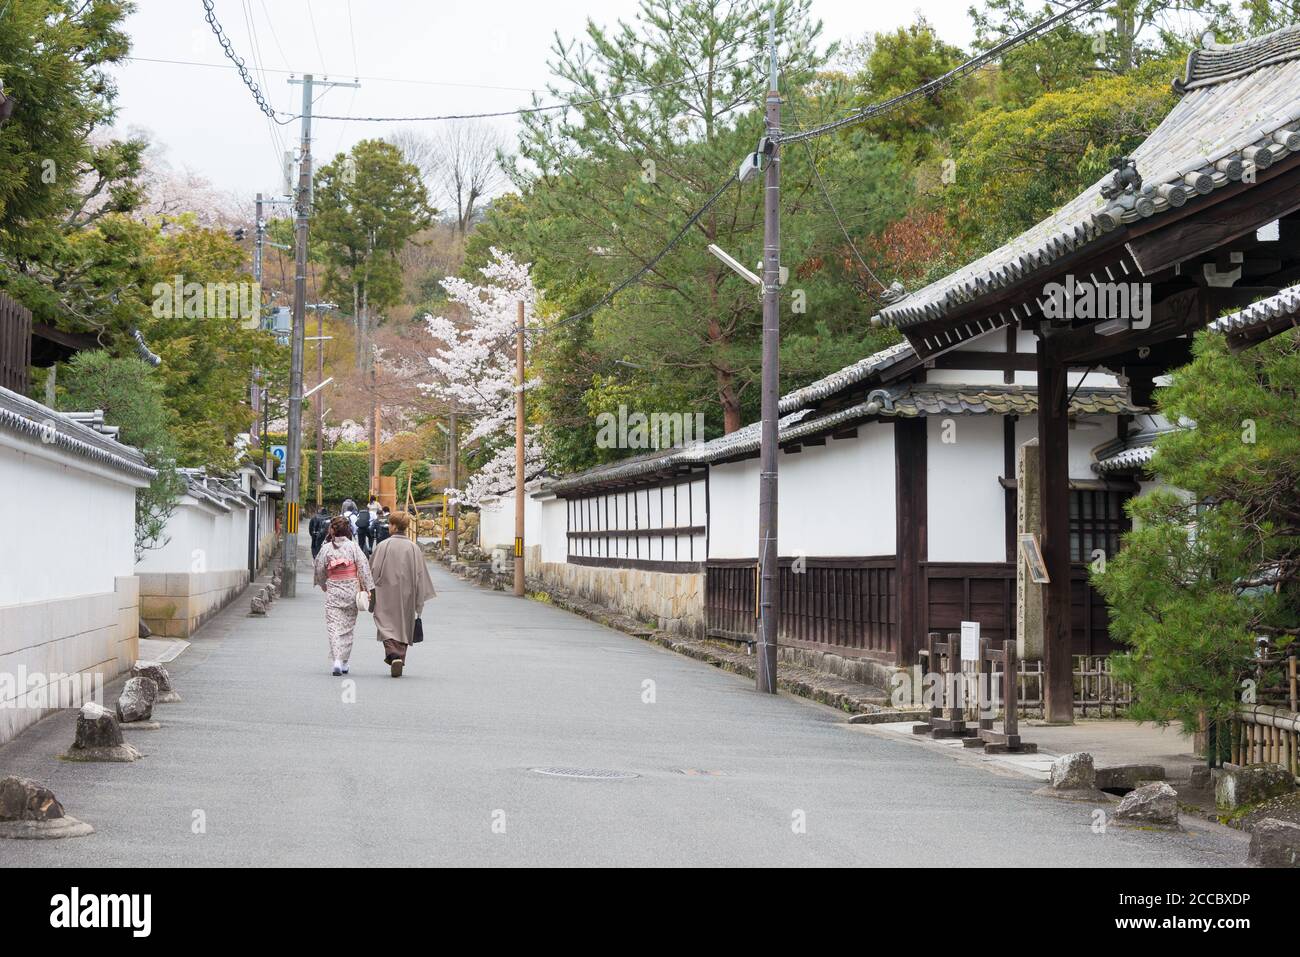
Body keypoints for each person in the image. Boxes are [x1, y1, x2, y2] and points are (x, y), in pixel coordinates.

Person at [370, 511, 435, 678]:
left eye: (390, 524)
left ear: (394, 526)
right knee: (404, 625)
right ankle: (399, 656)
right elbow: (421, 575)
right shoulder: (414, 548)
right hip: (407, 593)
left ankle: (393, 655)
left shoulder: (383, 546)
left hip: (385, 591)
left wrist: (369, 591)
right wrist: (420, 597)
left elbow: (373, 570)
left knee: (385, 623)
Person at [312, 515, 374, 677]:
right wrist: (368, 589)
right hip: (351, 590)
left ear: (332, 530)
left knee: (334, 626)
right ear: (348, 530)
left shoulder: (326, 549)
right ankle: (344, 661)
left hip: (334, 590)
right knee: (347, 627)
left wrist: (323, 584)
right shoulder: (353, 547)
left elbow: (319, 569)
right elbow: (363, 568)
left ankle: (337, 660)